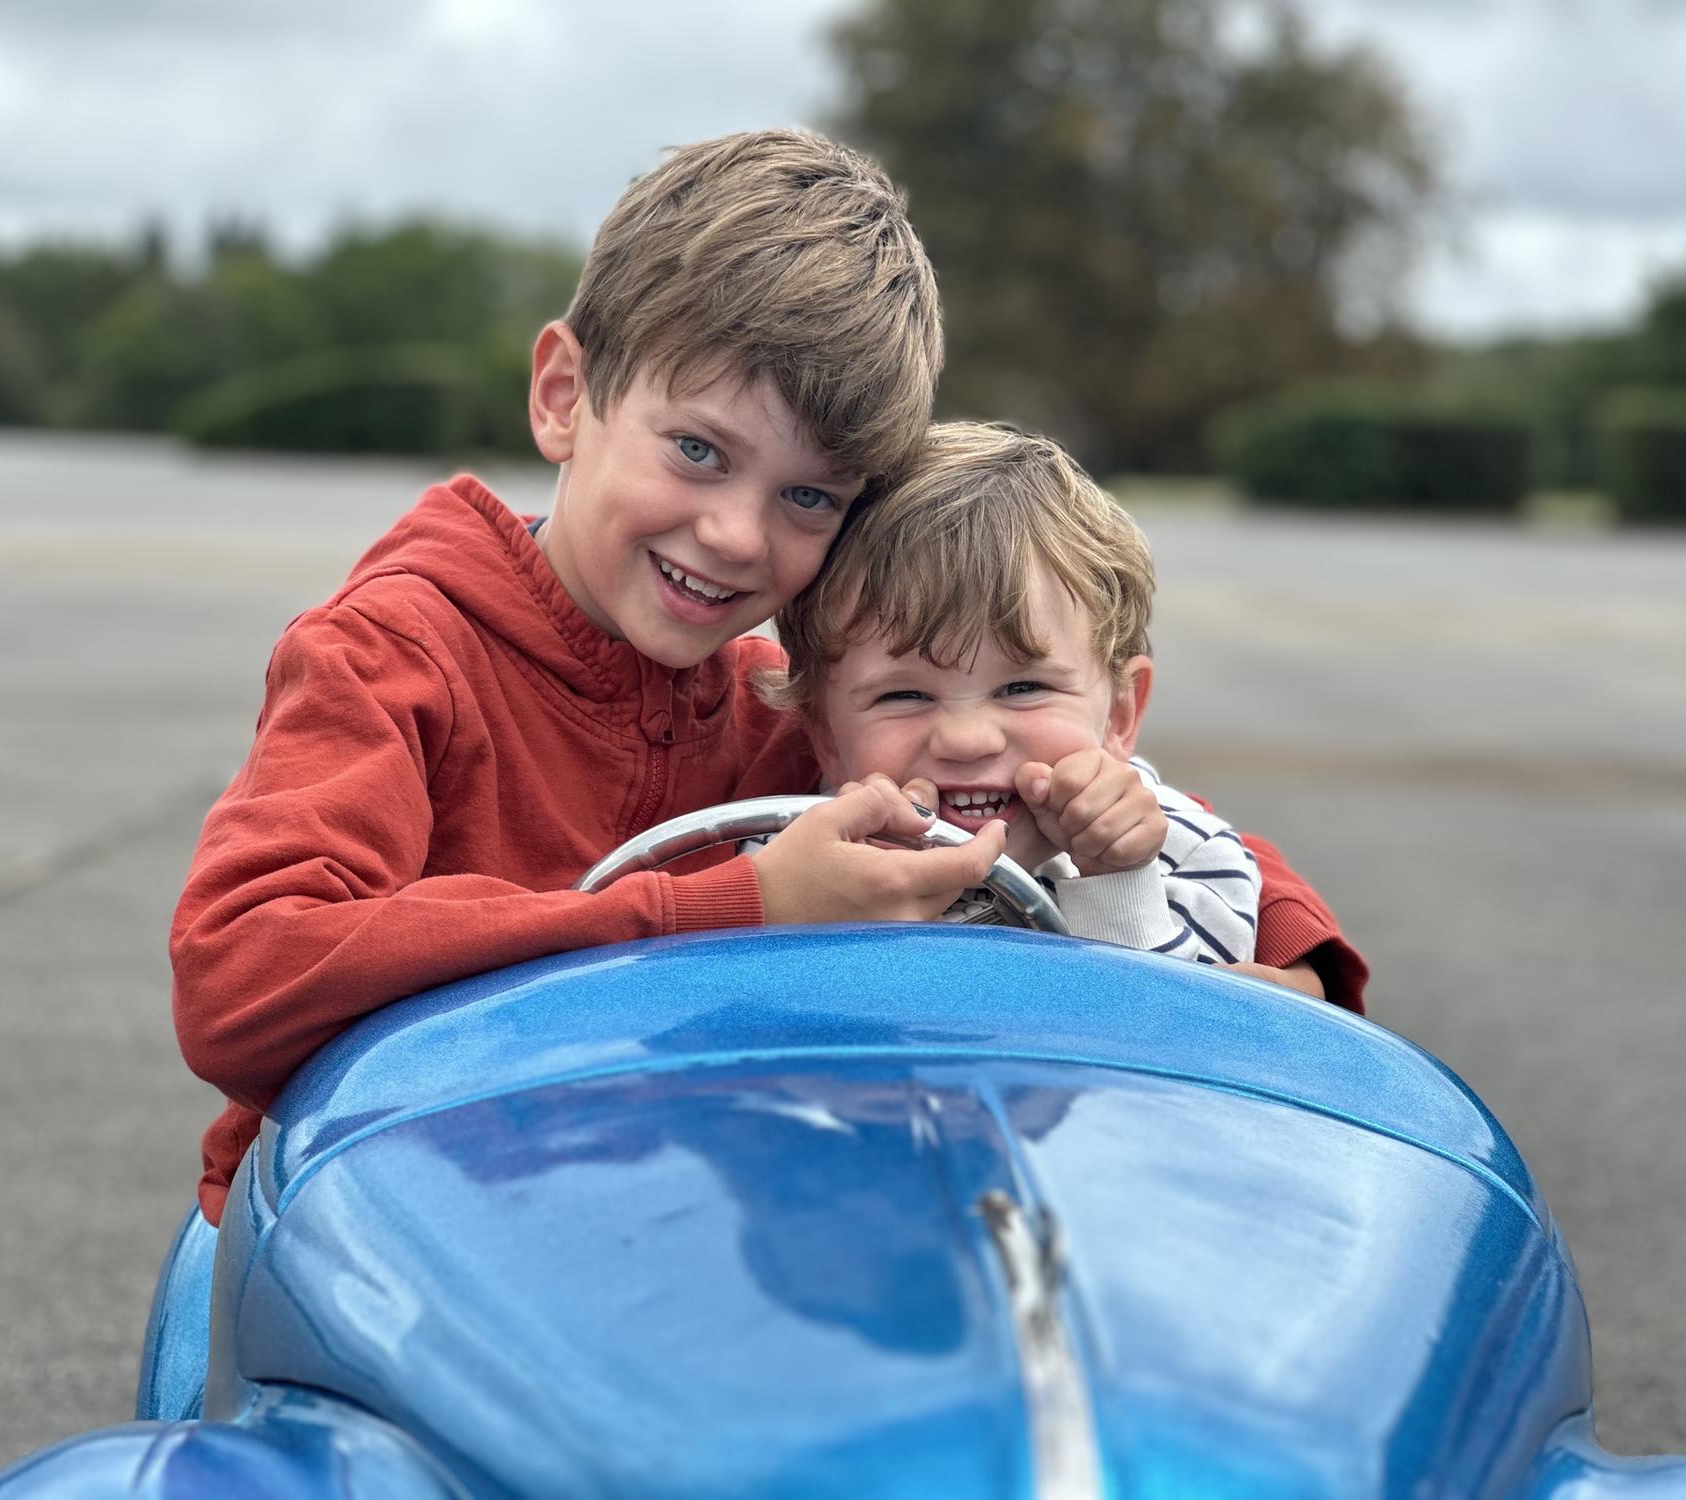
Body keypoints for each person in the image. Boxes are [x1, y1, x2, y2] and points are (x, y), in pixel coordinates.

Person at [170, 129, 1364, 1228]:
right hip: (399, 1232)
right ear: (563, 397)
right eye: (696, 450)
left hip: (682, 1223)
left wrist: (1268, 938)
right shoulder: (393, 657)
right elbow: (241, 981)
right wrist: (736, 905)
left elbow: (1052, 795)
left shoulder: (789, 707)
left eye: (807, 498)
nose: (738, 536)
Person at [757, 421, 1262, 963]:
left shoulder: (1190, 854)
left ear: (1120, 715)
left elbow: (1184, 1033)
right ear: (827, 737)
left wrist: (1117, 882)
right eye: (904, 696)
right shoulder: (789, 858)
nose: (968, 740)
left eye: (1023, 687)